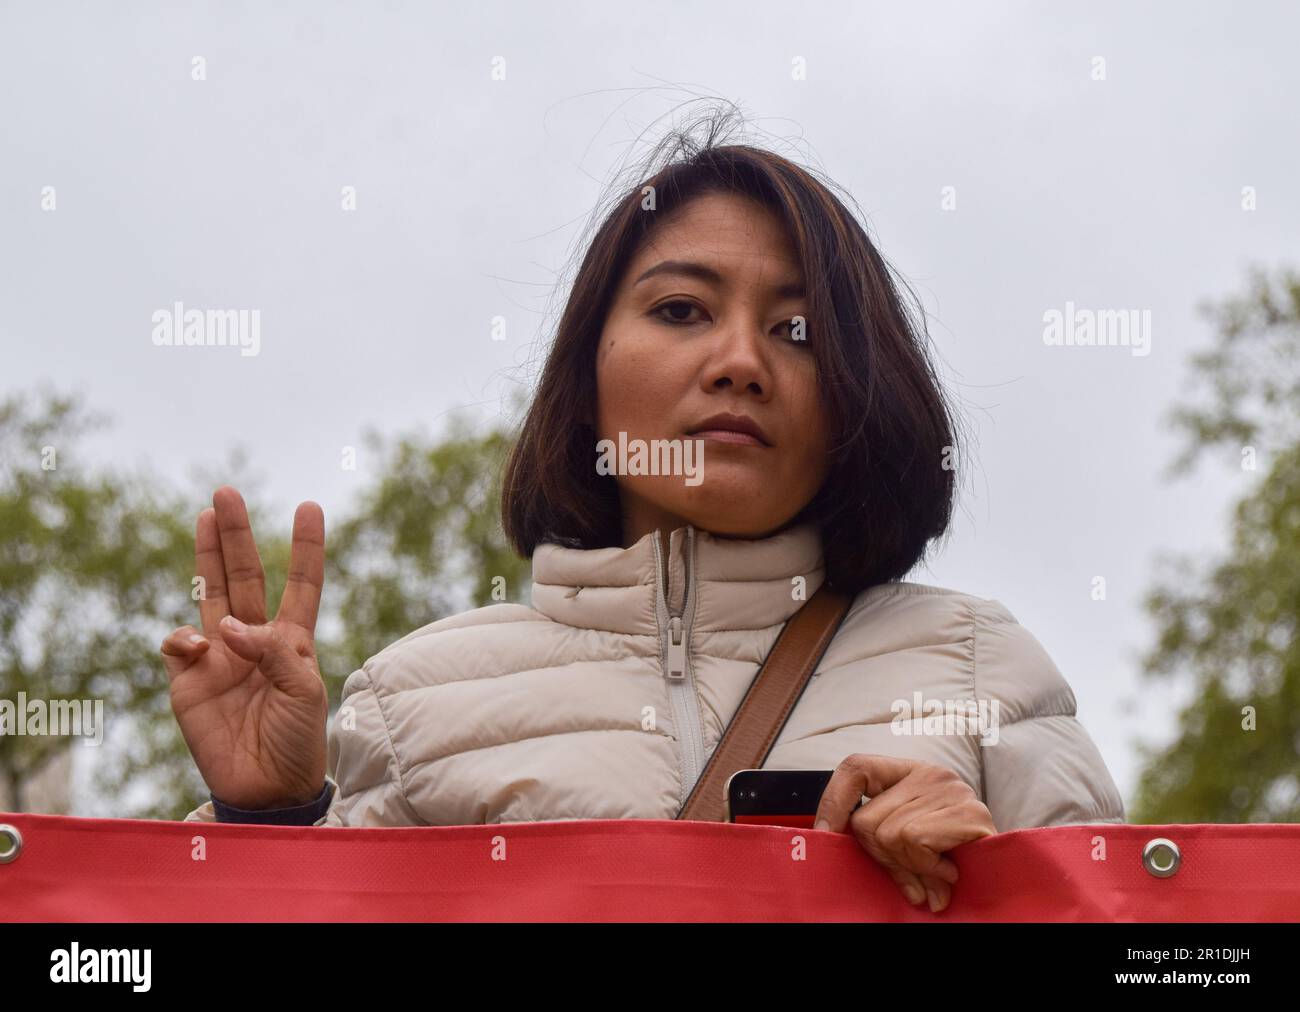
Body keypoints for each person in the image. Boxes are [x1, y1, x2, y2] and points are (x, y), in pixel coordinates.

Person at [163, 134, 1124, 914]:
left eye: (798, 331)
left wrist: (1002, 885)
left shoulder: (978, 668)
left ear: (855, 397)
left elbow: (1166, 963)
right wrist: (267, 820)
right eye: (681, 309)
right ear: (585, 376)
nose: (741, 360)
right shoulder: (413, 702)